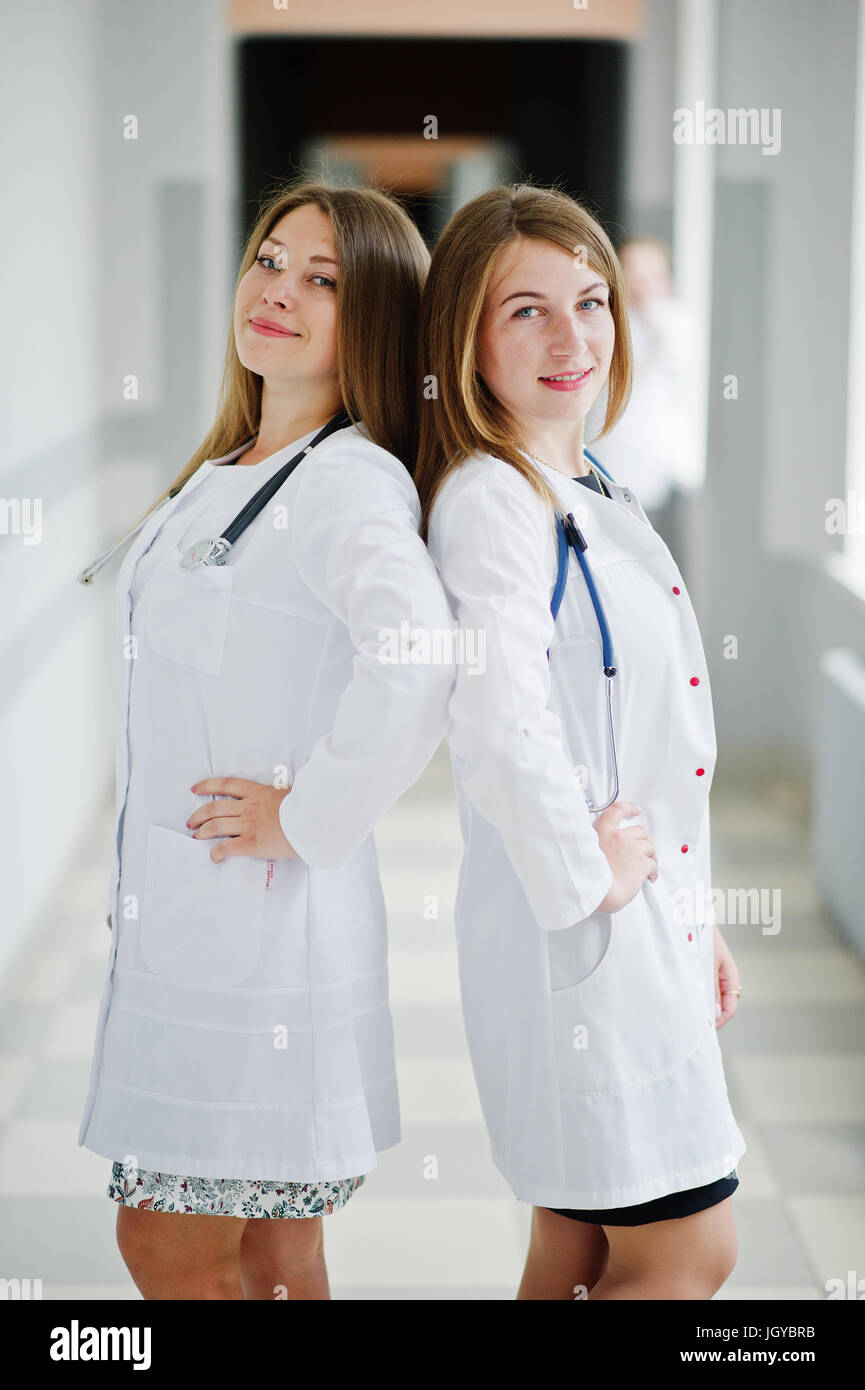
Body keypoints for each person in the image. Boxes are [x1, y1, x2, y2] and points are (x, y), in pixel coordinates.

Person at [77, 180, 456, 1300]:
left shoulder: (346, 484)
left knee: (164, 1239)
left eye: (323, 279)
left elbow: (419, 654)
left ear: (375, 316)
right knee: (273, 1249)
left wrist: (308, 815)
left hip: (260, 937)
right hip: (202, 917)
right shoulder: (235, 470)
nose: (278, 290)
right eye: (269, 259)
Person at [416, 184, 746, 1300]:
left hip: (634, 931)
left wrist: (691, 917)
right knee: (689, 1251)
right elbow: (498, 716)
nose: (574, 338)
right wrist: (590, 884)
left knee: (575, 1252)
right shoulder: (489, 501)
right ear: (464, 334)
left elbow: (649, 741)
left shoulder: (586, 480)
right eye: (527, 311)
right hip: (584, 948)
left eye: (591, 300)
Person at [585, 236, 700, 566]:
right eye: (631, 270)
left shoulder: (676, 321)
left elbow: (675, 363)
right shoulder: (610, 319)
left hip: (666, 468)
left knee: (667, 561)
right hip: (614, 460)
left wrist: (651, 308)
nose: (638, 280)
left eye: (648, 272)